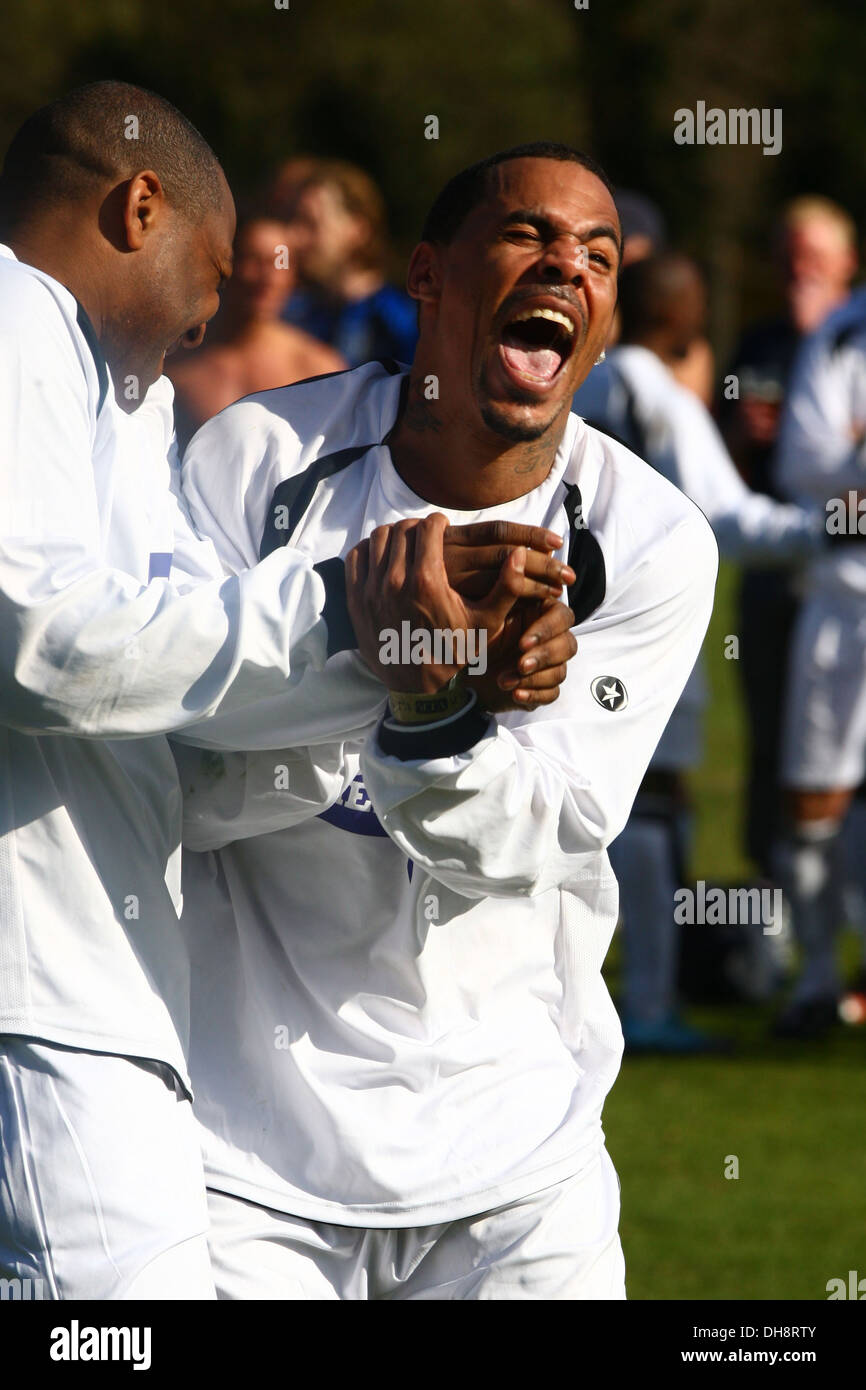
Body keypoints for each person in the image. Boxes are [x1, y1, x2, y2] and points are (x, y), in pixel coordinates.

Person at [0, 81, 561, 1300]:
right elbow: (33, 636)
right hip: (36, 989)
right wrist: (350, 613)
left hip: (117, 995)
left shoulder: (115, 395)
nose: (210, 321)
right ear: (136, 203)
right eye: (207, 270)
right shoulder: (7, 320)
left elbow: (184, 699)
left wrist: (419, 666)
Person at [175, 141, 718, 1300]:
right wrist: (375, 660)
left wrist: (429, 710)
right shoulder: (256, 463)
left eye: (599, 255)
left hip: (519, 1158)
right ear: (426, 273)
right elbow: (177, 786)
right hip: (246, 1153)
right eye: (526, 234)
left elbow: (541, 838)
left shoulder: (648, 538)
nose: (566, 265)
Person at [574, 254, 821, 1051]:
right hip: (646, 630)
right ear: (679, 314)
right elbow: (728, 518)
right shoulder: (664, 400)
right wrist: (828, 529)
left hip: (571, 628)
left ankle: (589, 993)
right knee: (654, 806)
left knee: (589, 808)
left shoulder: (591, 384)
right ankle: (646, 1002)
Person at [720, 197, 858, 880]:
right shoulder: (757, 344)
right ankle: (767, 901)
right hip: (778, 563)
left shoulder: (848, 341)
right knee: (773, 740)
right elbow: (720, 466)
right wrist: (743, 438)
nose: (800, 269)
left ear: (848, 263)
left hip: (847, 573)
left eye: (816, 255)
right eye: (789, 255)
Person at [773, 282, 866, 1037]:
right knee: (815, 794)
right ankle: (817, 982)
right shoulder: (839, 335)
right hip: (842, 598)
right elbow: (806, 467)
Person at [166, 212, 345, 450]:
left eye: (279, 262)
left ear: (294, 275)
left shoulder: (320, 369)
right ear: (226, 265)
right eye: (253, 260)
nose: (267, 277)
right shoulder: (176, 359)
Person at [277, 158, 418, 366]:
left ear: (357, 229)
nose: (294, 236)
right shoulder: (292, 313)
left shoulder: (400, 323)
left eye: (311, 223)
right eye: (294, 220)